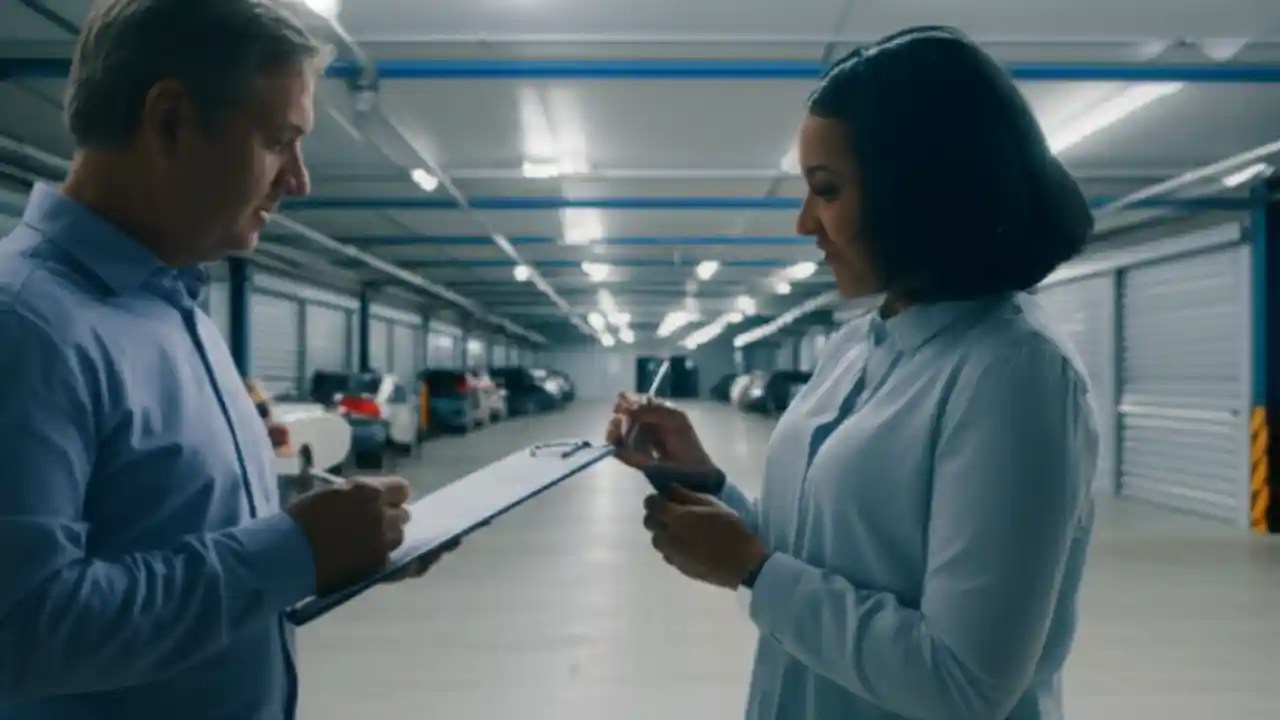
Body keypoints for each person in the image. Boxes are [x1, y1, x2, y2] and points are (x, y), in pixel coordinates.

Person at [608, 26, 1099, 720]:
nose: (805, 222)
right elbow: (827, 555)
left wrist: (753, 568)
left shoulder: (1014, 374)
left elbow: (963, 685)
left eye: (827, 191)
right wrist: (711, 486)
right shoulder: (854, 348)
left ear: (919, 194)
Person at [0, 1, 451, 718]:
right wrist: (289, 552)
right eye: (279, 141)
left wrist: (331, 538)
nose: (299, 181)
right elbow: (22, 630)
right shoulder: (25, 325)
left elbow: (167, 529)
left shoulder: (174, 303)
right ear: (170, 120)